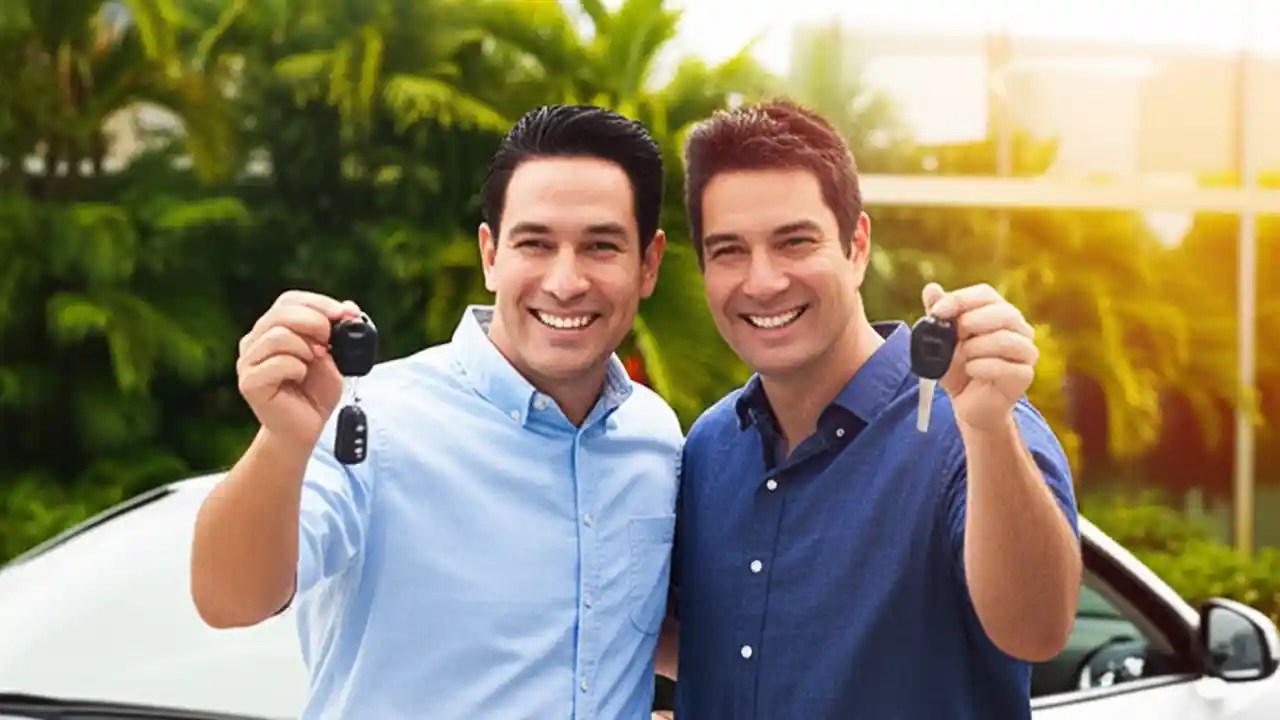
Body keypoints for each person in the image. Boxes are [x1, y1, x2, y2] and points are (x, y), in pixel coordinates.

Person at [190, 104, 682, 720]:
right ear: (490, 254)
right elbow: (226, 598)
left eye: (601, 246)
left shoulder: (656, 437)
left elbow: (639, 635)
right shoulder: (367, 417)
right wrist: (283, 441)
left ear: (649, 264)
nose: (565, 280)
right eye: (535, 242)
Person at [663, 100, 1082, 719]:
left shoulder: (971, 424)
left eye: (794, 242)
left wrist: (987, 428)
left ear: (857, 245)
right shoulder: (708, 446)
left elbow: (1038, 631)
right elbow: (702, 644)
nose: (763, 281)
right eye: (729, 251)